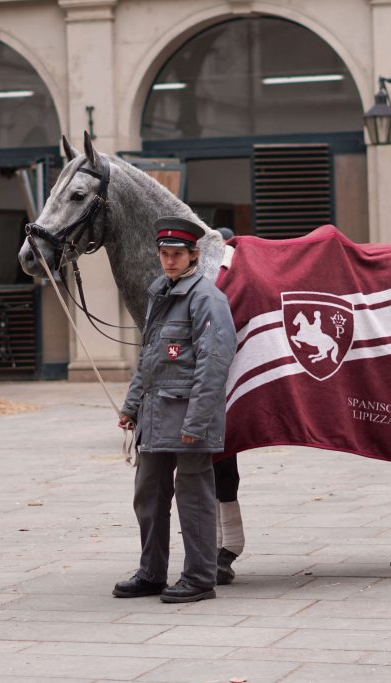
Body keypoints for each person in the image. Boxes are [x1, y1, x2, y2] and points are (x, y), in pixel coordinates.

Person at [114, 215, 237, 603]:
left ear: (193, 255)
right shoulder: (159, 293)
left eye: (177, 254)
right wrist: (131, 405)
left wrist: (197, 422)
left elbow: (215, 363)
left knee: (193, 498)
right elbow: (149, 359)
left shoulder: (207, 298)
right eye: (164, 254)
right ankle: (152, 572)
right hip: (154, 416)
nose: (169, 261)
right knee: (148, 495)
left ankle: (200, 577)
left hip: (187, 418)